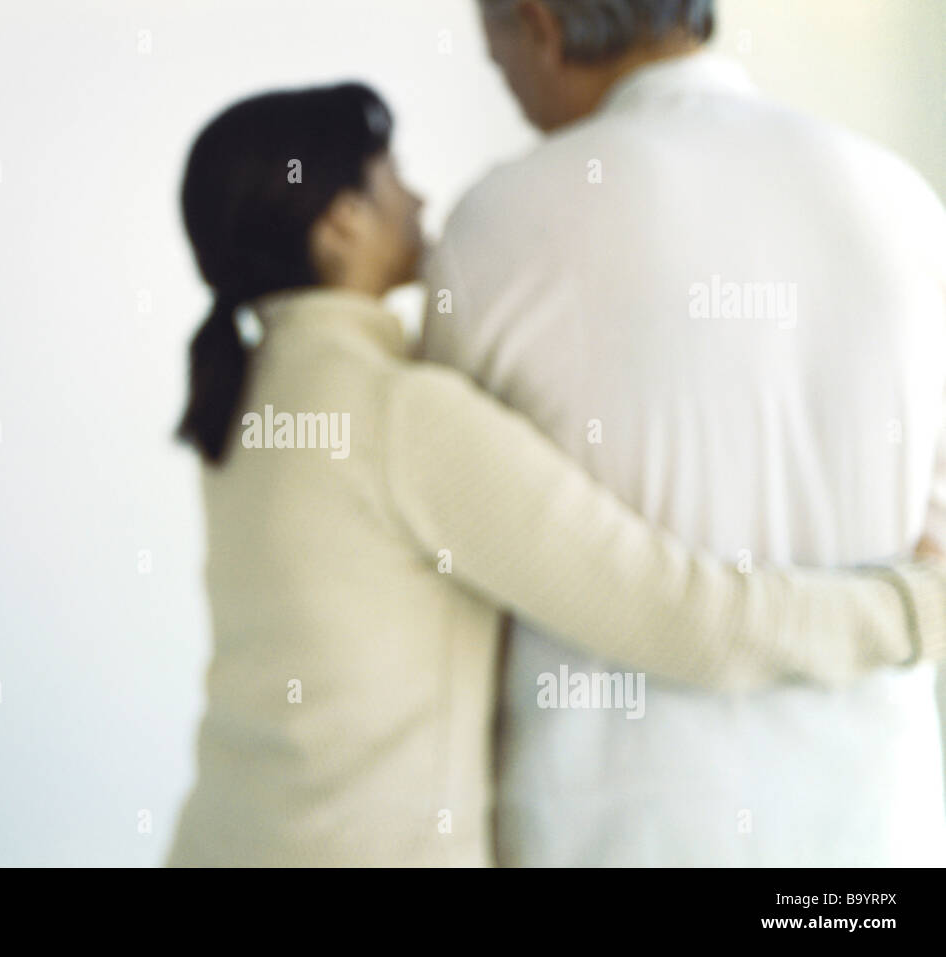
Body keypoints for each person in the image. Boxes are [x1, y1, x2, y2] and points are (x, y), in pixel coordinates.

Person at [165, 81, 946, 867]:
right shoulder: (394, 416)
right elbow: (682, 616)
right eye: (391, 174)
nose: (419, 195)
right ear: (339, 224)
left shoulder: (249, 394)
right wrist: (918, 607)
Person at [420, 0, 946, 865]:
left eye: (498, 54)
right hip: (871, 838)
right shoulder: (899, 196)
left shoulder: (498, 225)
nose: (507, 84)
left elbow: (450, 556)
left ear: (542, 27)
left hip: (612, 832)